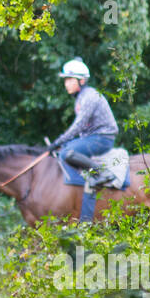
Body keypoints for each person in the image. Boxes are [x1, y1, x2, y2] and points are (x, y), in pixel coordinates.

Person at [47, 58, 119, 223]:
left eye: (70, 80)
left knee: (66, 153)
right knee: (63, 151)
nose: (66, 84)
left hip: (102, 138)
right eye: (65, 80)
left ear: (82, 80)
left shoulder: (90, 97)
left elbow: (78, 126)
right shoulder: (80, 98)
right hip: (91, 137)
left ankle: (102, 172)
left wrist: (58, 141)